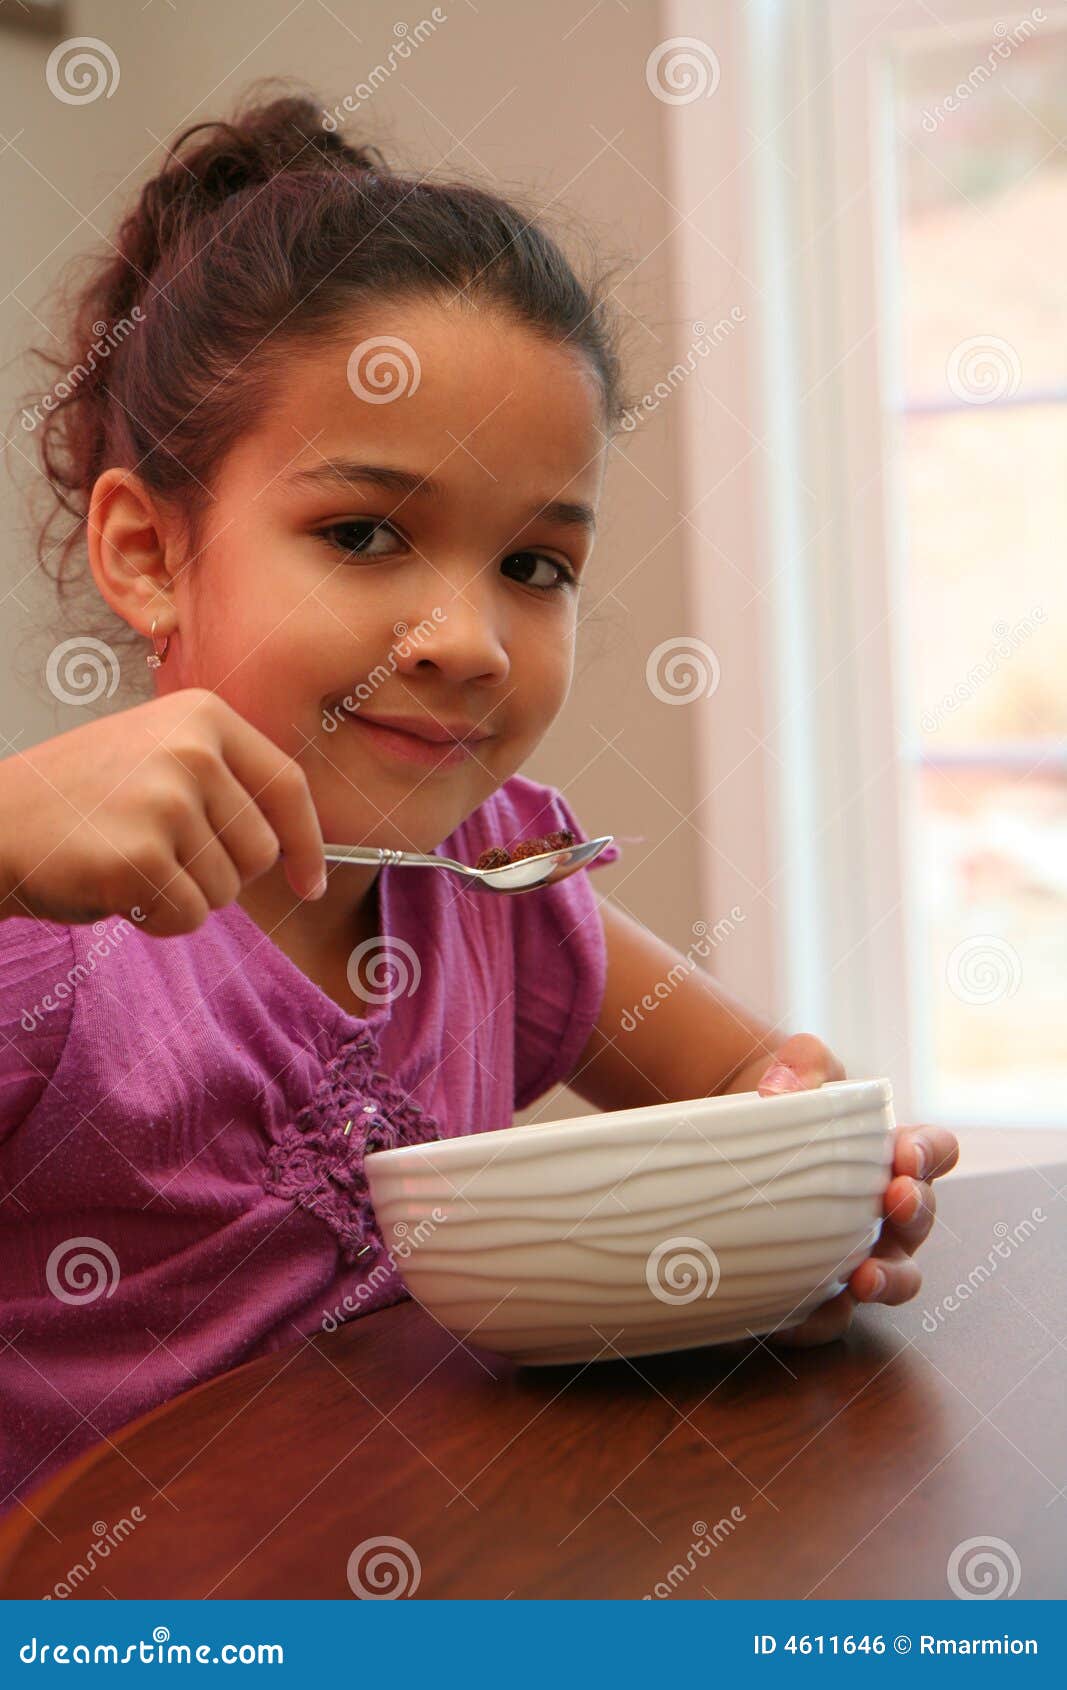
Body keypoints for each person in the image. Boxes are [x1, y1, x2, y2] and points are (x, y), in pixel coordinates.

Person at [0, 83, 957, 1515]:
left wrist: (811, 1193)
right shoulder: (48, 929)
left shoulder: (502, 880)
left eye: (535, 564)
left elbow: (760, 1080)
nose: (467, 636)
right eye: (365, 532)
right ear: (148, 554)